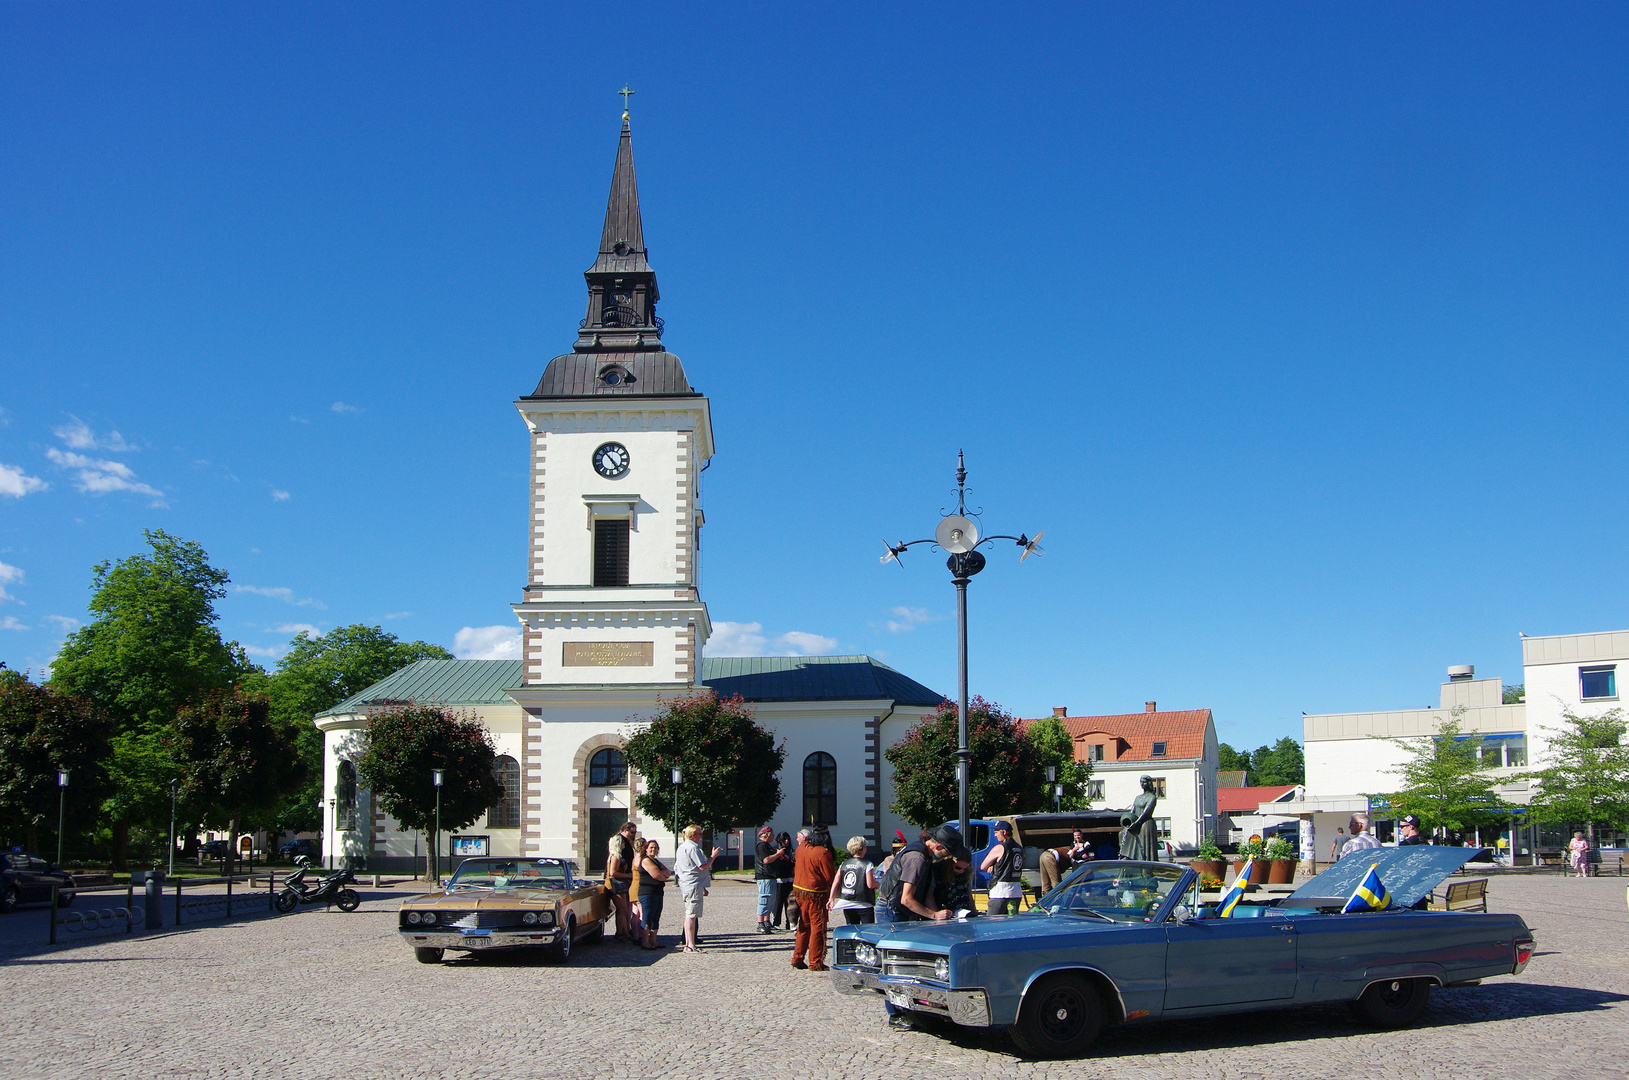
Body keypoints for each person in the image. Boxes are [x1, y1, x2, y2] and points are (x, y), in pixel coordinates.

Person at [791, 824, 836, 971]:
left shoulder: (800, 848)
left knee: (804, 925)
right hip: (815, 894)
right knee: (818, 927)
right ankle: (815, 962)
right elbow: (829, 876)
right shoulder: (822, 852)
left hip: (799, 892)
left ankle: (797, 957)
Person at [674, 824, 721, 952]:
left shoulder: (681, 847)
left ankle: (689, 942)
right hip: (693, 884)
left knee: (689, 914)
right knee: (691, 914)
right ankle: (690, 945)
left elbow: (677, 868)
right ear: (693, 835)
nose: (701, 837)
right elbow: (703, 867)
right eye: (700, 834)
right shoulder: (693, 848)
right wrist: (713, 856)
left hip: (687, 884)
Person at [829, 836, 877, 925]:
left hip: (847, 902)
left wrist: (831, 898)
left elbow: (836, 881)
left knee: (851, 928)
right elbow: (870, 884)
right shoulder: (867, 864)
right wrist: (878, 884)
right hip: (864, 903)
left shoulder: (844, 864)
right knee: (867, 931)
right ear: (863, 848)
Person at [980, 821, 1025, 916]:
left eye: (996, 832)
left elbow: (983, 866)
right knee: (1011, 924)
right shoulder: (1020, 848)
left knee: (993, 924)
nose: (995, 835)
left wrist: (992, 864)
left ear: (1004, 832)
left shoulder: (1000, 848)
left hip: (1000, 891)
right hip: (1016, 891)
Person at [636, 838, 671, 949]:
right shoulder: (646, 860)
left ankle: (654, 941)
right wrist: (662, 875)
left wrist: (663, 874)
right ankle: (645, 943)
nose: (653, 849)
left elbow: (668, 872)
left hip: (658, 892)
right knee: (647, 917)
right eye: (651, 847)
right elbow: (657, 875)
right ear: (646, 849)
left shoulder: (655, 861)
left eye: (655, 848)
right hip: (647, 893)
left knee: (656, 917)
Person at [605, 820, 637, 942]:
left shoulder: (617, 855)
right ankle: (621, 932)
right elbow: (613, 873)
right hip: (616, 884)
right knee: (623, 909)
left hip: (619, 884)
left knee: (623, 910)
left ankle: (624, 932)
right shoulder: (616, 856)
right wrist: (628, 875)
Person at [753, 826, 787, 933]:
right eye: (771, 834)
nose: (773, 836)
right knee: (764, 899)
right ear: (766, 835)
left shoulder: (768, 846)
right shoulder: (762, 846)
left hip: (771, 876)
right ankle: (760, 923)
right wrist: (778, 854)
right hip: (764, 876)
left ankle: (767, 921)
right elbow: (766, 860)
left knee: (771, 900)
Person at [1119, 775, 1160, 861]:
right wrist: (1128, 821)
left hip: (1145, 825)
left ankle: (1146, 863)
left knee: (1145, 847)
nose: (1142, 784)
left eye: (1144, 782)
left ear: (1148, 783)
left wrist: (1137, 823)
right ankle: (1127, 856)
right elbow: (1132, 811)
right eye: (1141, 782)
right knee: (1122, 833)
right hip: (1135, 823)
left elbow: (1146, 812)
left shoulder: (1152, 797)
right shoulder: (1138, 798)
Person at [935, 845, 975, 917]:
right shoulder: (939, 874)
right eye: (958, 868)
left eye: (965, 868)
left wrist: (973, 912)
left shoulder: (966, 874)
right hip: (947, 913)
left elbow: (969, 895)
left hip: (964, 911)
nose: (962, 871)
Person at [772, 830, 797, 930]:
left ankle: (790, 922)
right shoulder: (775, 850)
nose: (786, 841)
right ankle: (776, 922)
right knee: (778, 903)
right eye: (784, 839)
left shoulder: (790, 851)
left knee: (790, 902)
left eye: (787, 839)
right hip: (779, 879)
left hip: (789, 879)